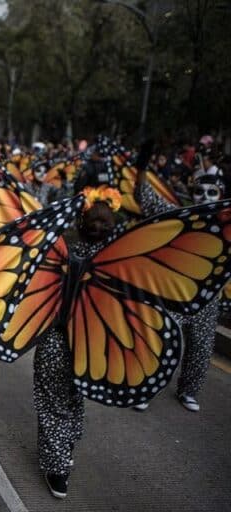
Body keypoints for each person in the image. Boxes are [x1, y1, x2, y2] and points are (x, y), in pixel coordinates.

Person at [35, 186, 121, 499]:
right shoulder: (118, 262)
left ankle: (57, 468)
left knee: (52, 402)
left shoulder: (59, 250)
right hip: (94, 346)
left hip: (56, 341)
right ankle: (66, 448)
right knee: (75, 396)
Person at [133, 167, 224, 413]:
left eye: (211, 192)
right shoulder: (181, 216)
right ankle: (149, 388)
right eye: (198, 191)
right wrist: (141, 169)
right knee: (163, 340)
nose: (204, 197)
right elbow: (149, 201)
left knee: (201, 346)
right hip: (177, 292)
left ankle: (189, 391)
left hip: (208, 297)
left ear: (220, 194)